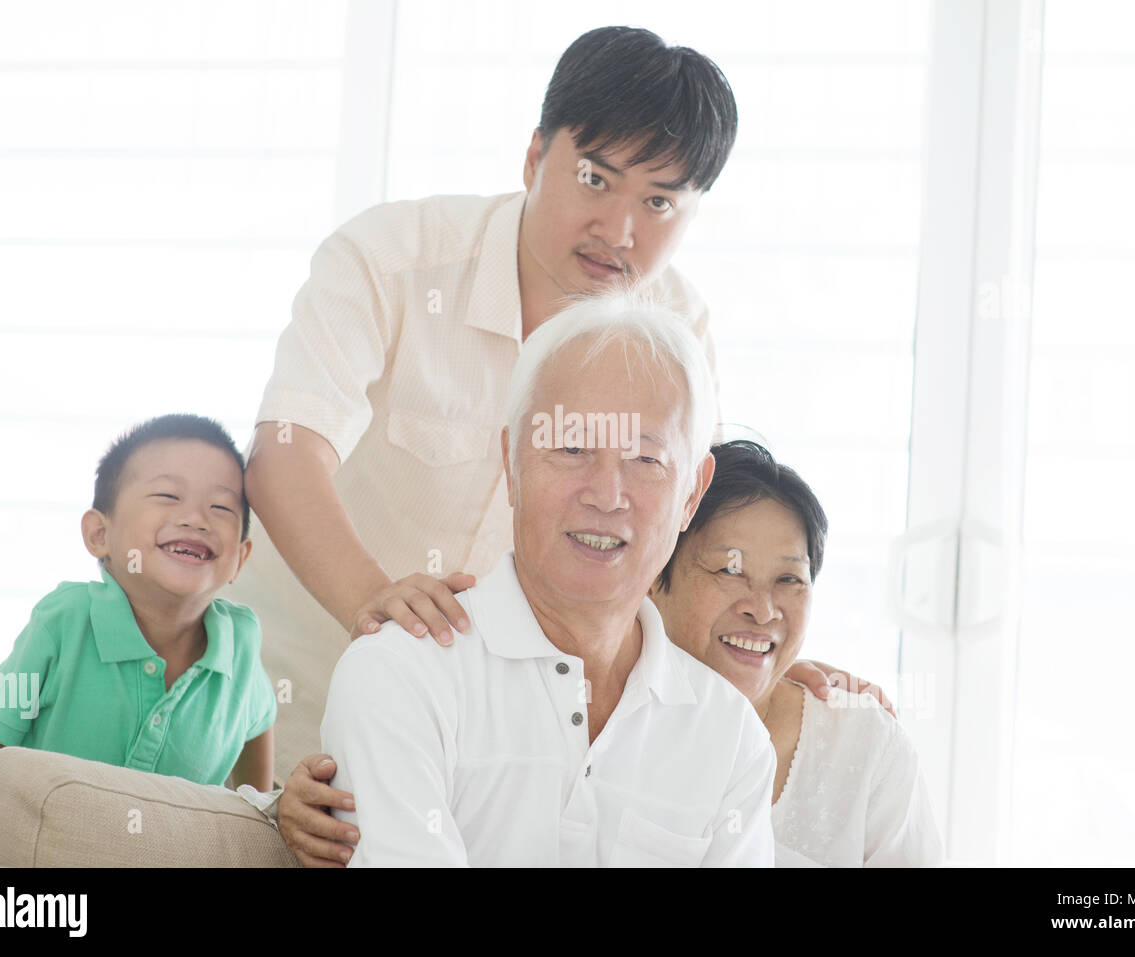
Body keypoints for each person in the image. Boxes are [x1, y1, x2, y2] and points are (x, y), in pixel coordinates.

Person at [231, 26, 890, 853]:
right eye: (594, 178)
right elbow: (286, 453)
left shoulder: (676, 331)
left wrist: (755, 647)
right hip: (303, 695)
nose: (618, 230)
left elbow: (677, 535)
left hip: (522, 739)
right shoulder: (392, 261)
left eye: (658, 202)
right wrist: (374, 601)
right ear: (535, 154)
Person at [319, 293, 775, 865]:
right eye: (571, 446)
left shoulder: (731, 738)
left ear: (692, 494)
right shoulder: (401, 673)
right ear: (512, 464)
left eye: (645, 459)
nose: (606, 495)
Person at [0, 414, 276, 859]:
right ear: (100, 534)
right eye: (168, 495)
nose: (196, 518)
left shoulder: (242, 646)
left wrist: (261, 813)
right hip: (46, 850)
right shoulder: (63, 622)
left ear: (240, 559)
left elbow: (257, 736)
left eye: (221, 507)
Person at [648, 440, 944, 866]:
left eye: (789, 579)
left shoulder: (865, 745)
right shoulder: (608, 726)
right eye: (730, 570)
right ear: (656, 576)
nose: (762, 608)